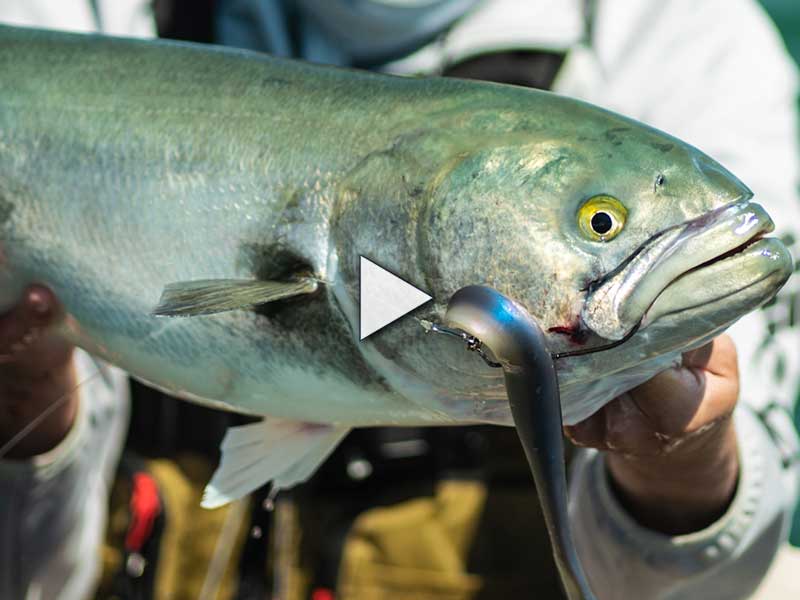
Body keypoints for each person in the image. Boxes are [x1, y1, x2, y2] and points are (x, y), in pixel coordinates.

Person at [1, 1, 799, 598]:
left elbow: (713, 574)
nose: (604, 230)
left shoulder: (676, 33)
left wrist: (687, 466)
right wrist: (35, 415)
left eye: (599, 221)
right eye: (600, 223)